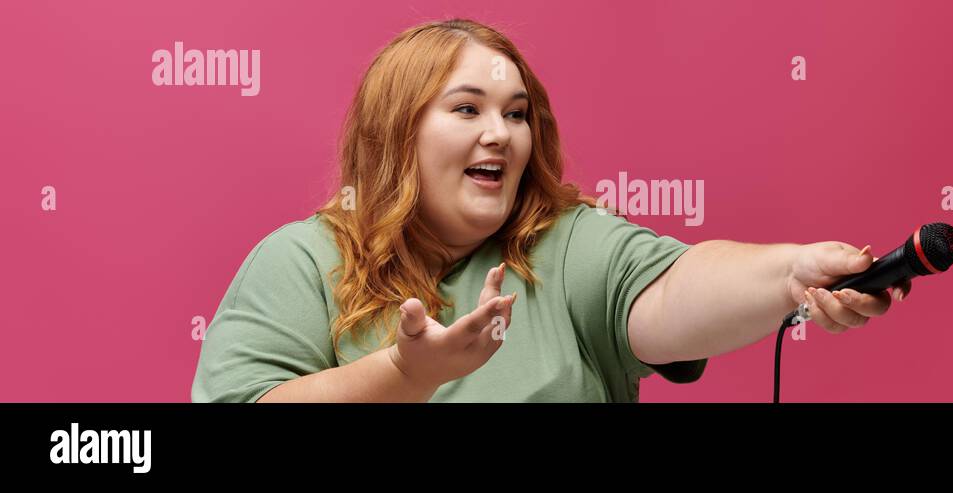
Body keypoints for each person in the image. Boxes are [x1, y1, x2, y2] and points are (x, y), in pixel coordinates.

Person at [191, 19, 912, 403]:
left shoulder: (566, 244)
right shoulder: (301, 260)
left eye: (516, 113)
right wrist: (406, 374)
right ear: (396, 130)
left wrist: (792, 272)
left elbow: (676, 289)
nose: (500, 133)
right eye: (467, 108)